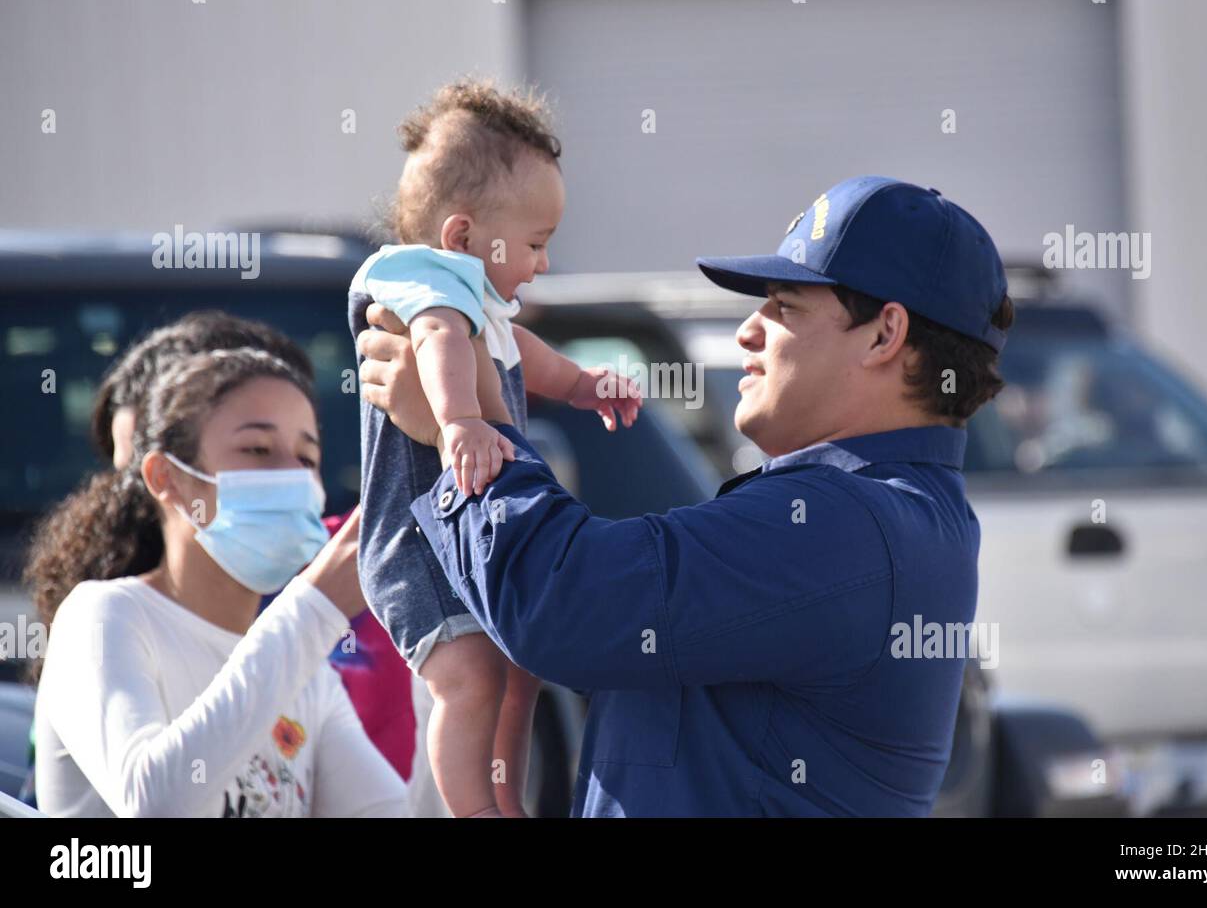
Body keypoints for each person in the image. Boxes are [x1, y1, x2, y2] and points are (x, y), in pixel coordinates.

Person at [359, 175, 1016, 816]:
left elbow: (560, 603)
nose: (748, 332)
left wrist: (467, 430)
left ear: (884, 335)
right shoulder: (887, 512)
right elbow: (611, 636)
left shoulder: (848, 521)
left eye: (785, 305)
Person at [349, 79, 640, 817]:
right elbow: (438, 339)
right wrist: (456, 423)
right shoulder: (423, 283)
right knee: (470, 678)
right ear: (460, 236)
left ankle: (504, 800)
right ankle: (473, 810)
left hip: (469, 531)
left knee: (518, 673)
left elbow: (525, 353)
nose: (543, 263)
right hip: (418, 539)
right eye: (537, 244)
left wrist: (581, 386)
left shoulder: (482, 305)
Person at [27, 347, 411, 816]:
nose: (292, 477)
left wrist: (447, 670)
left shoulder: (305, 670)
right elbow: (152, 804)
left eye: (307, 458)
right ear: (166, 476)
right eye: (257, 449)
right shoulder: (104, 617)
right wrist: (318, 603)